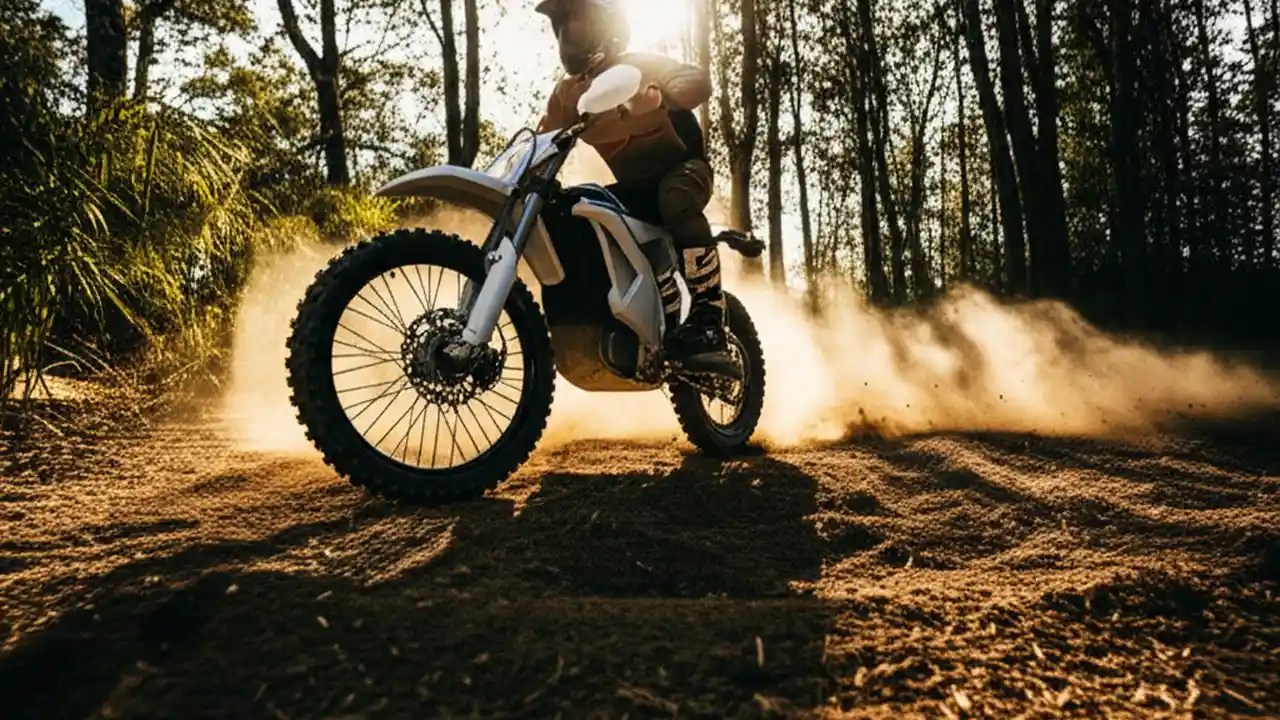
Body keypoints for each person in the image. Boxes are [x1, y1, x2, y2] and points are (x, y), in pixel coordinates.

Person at [534, 0, 734, 375]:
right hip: (634, 189)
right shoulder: (568, 93)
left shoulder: (639, 66)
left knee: (674, 197)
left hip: (684, 170)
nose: (566, 37)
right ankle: (602, 318)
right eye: (560, 28)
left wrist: (662, 96)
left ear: (604, 26)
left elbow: (699, 81)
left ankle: (709, 318)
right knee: (576, 207)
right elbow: (542, 141)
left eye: (574, 24)